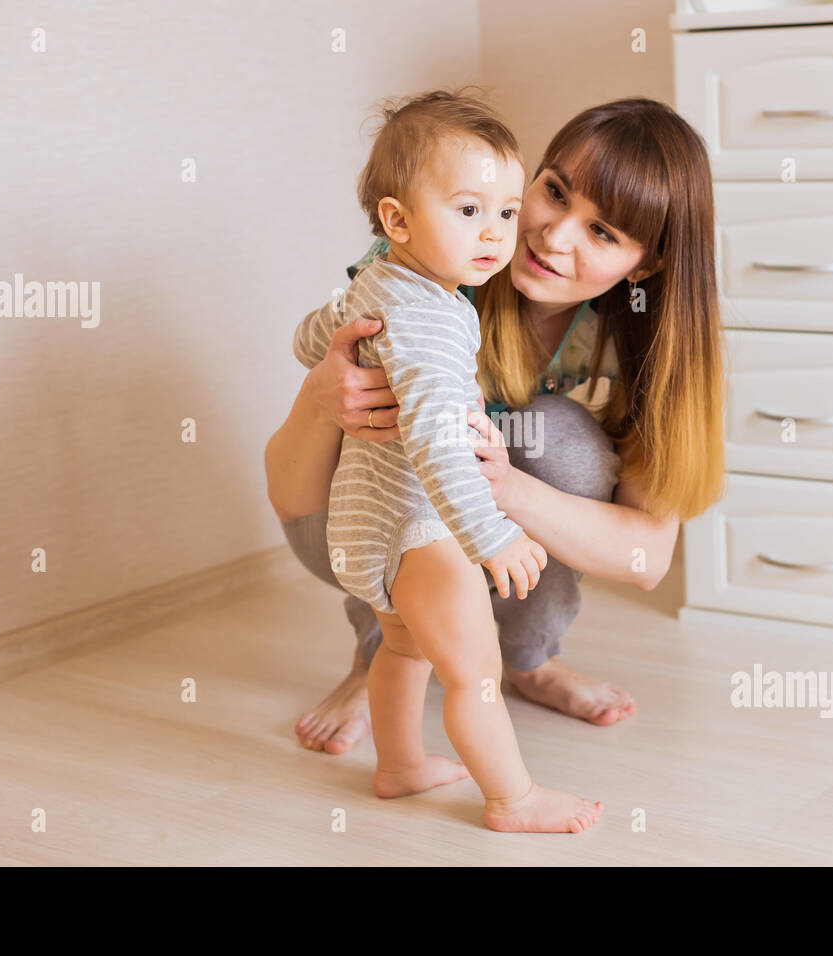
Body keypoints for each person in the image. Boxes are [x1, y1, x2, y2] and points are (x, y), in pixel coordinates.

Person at [268, 90, 727, 757]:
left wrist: (505, 491)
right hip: (360, 532)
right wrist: (320, 399)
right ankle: (379, 653)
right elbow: (290, 501)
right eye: (557, 192)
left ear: (647, 264)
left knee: (557, 436)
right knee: (416, 463)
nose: (552, 234)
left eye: (603, 232)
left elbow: (645, 559)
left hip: (491, 538)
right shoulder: (427, 266)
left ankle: (528, 657)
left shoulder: (643, 350)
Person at [293, 89, 601, 831]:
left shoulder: (378, 285)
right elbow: (435, 442)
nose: (495, 233)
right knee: (475, 671)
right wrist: (490, 535)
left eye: (503, 211)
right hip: (419, 524)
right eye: (468, 210)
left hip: (369, 525)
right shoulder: (431, 316)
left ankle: (399, 767)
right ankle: (512, 798)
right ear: (397, 220)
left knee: (403, 648)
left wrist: (336, 352)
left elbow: (310, 340)